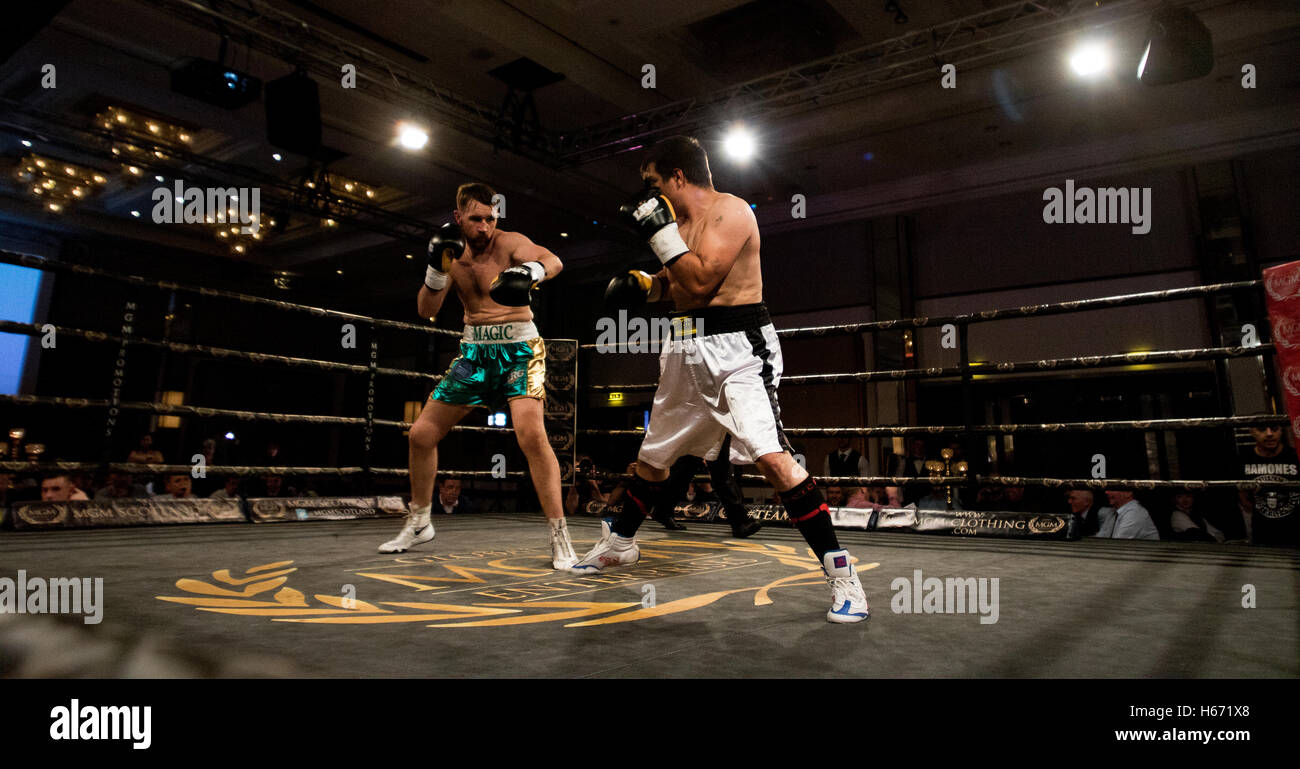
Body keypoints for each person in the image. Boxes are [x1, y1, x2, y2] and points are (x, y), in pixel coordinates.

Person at [570, 136, 868, 622]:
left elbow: (705, 279)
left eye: (654, 183)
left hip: (739, 349)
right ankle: (621, 543)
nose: (651, 195)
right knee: (654, 456)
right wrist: (644, 287)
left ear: (678, 177)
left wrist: (659, 233)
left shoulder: (732, 212)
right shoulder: (682, 224)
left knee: (772, 459)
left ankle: (843, 575)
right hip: (685, 346)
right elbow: (678, 283)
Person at [379, 182, 578, 569]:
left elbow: (554, 261)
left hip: (520, 348)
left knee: (531, 434)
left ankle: (560, 535)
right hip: (473, 352)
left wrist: (531, 270)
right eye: (476, 219)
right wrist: (437, 269)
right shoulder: (450, 252)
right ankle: (419, 521)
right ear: (458, 218)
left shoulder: (510, 243)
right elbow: (425, 310)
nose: (485, 226)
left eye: (491, 218)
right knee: (421, 434)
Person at [662, 436, 762, 538]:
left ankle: (663, 509)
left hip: (717, 425)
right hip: (707, 423)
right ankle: (740, 522)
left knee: (692, 464)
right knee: (707, 467)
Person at [1236, 424, 1300, 547]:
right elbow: (1243, 497)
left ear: (1281, 431)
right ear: (1252, 431)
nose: (1269, 434)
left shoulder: (1294, 456)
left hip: (1295, 530)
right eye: (1262, 429)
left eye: (1275, 429)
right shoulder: (1245, 459)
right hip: (1262, 531)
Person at [1095, 488, 1160, 540]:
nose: (1106, 492)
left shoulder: (1135, 513)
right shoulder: (1113, 512)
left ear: (1128, 493)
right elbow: (1101, 537)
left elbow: (1117, 545)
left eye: (1112, 489)